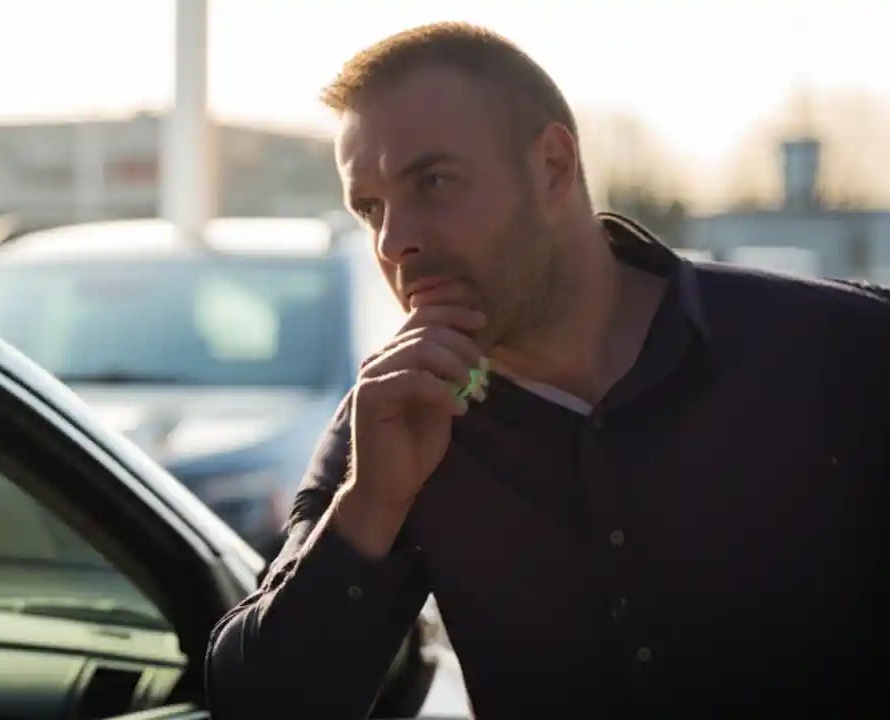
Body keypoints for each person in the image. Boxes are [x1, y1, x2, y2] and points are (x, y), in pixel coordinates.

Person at [205, 20, 887, 720]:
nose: (394, 241)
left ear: (554, 166)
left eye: (433, 182)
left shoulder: (840, 350)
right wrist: (371, 506)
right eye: (370, 207)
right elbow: (257, 704)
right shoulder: (391, 423)